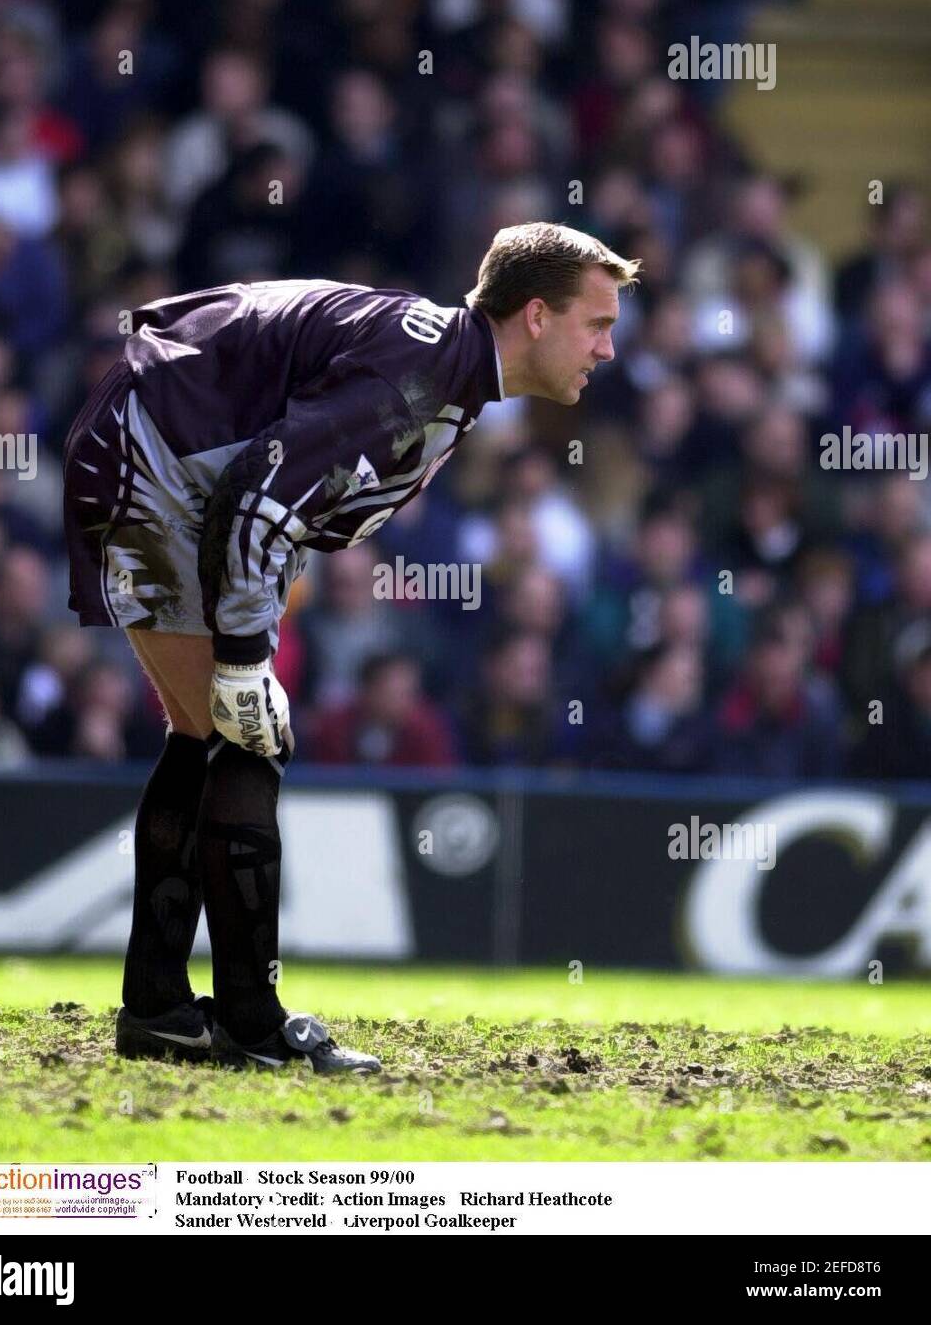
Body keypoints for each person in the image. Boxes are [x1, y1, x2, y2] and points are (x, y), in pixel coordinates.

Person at [62, 220, 637, 1073]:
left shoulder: (447, 371)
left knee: (211, 738)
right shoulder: (425, 371)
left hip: (159, 451)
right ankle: (251, 1021)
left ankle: (160, 1009)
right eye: (598, 323)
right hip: (157, 461)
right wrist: (246, 658)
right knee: (242, 735)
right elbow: (262, 494)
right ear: (537, 317)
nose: (609, 349)